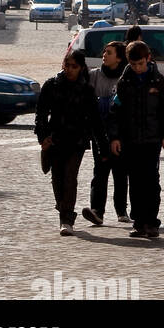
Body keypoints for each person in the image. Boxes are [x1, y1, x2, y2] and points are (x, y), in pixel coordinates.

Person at [107, 40, 164, 238]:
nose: (138, 68)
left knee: (151, 181)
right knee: (135, 181)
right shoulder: (124, 82)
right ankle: (139, 221)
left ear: (148, 59)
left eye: (141, 64)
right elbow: (115, 113)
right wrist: (115, 138)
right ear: (129, 62)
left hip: (152, 139)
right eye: (134, 64)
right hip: (130, 139)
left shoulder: (159, 82)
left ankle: (152, 221)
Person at [36, 50, 106, 236]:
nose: (69, 69)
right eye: (67, 65)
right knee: (57, 178)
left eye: (74, 66)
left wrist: (102, 146)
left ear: (81, 67)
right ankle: (63, 209)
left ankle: (66, 218)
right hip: (55, 139)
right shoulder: (52, 85)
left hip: (77, 140)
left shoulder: (86, 90)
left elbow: (95, 120)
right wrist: (42, 138)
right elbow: (41, 114)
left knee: (69, 176)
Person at [82, 40, 128, 226]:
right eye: (104, 51)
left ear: (119, 58)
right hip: (99, 131)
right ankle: (97, 211)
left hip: (120, 132)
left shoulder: (125, 77)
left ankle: (121, 210)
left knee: (120, 171)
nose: (104, 55)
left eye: (109, 52)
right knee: (100, 171)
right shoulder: (94, 76)